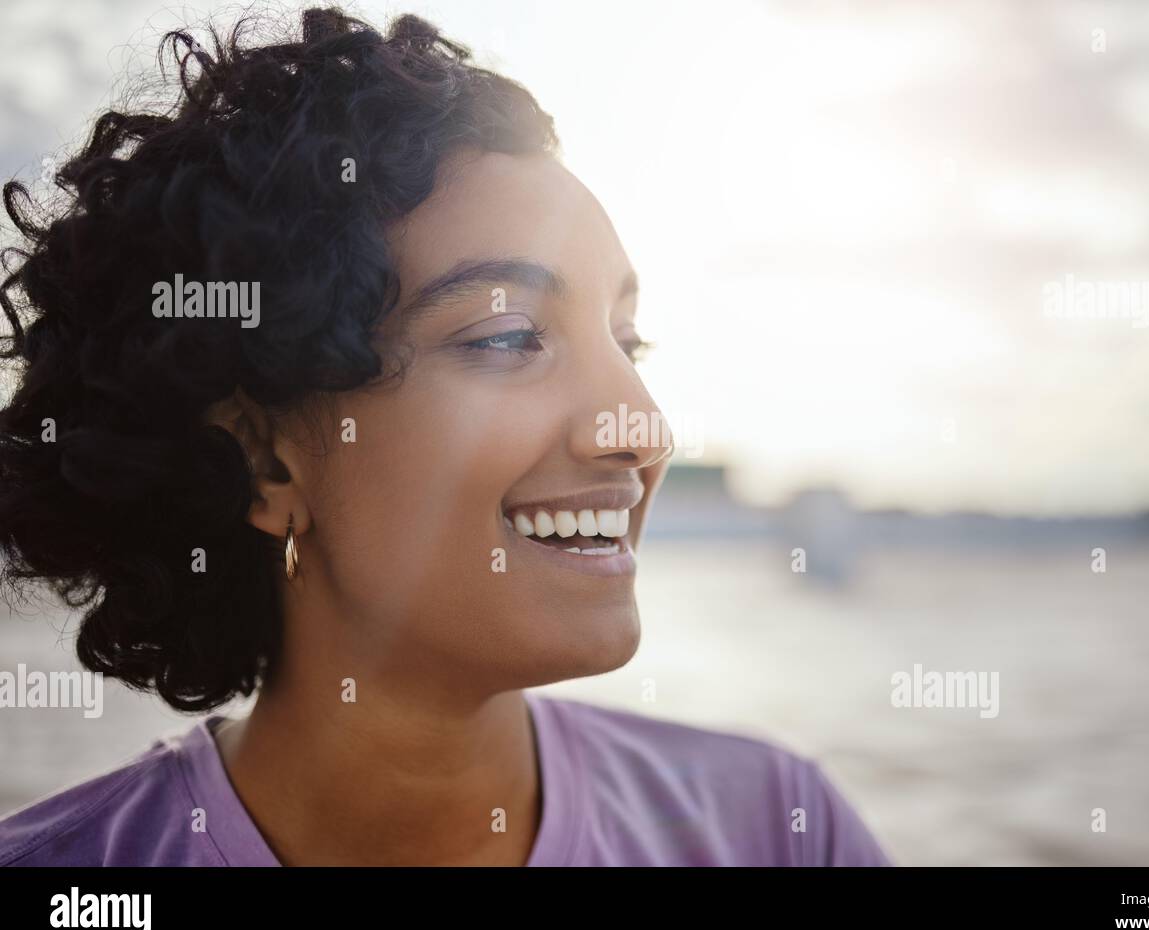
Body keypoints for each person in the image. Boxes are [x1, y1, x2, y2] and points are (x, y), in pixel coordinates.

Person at [0, 7, 891, 867]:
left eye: (628, 342)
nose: (644, 428)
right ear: (263, 460)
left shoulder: (777, 830)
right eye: (507, 337)